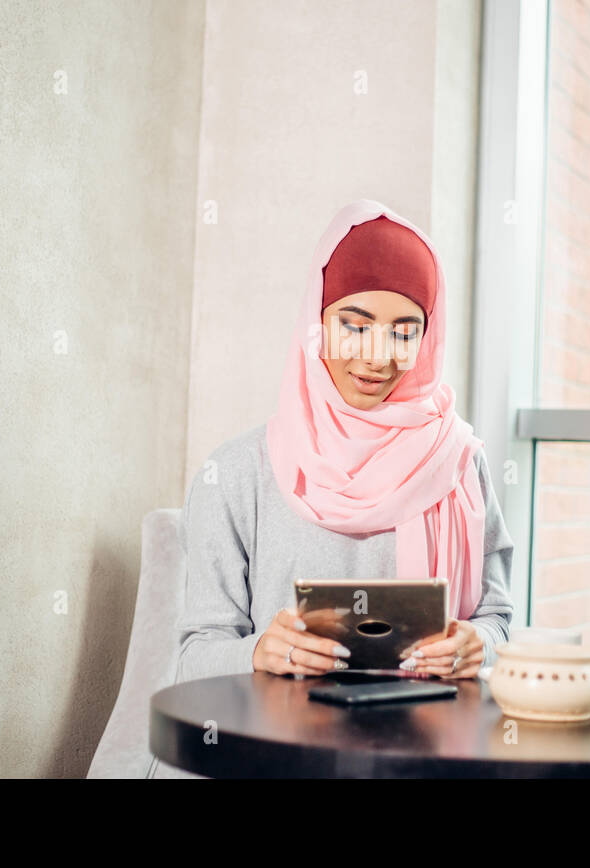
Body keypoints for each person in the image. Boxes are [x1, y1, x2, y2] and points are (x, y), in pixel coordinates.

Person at [147, 200, 514, 777]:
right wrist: (258, 651)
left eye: (404, 331)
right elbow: (194, 657)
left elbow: (500, 620)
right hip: (269, 759)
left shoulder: (458, 464)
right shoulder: (236, 473)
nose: (377, 356)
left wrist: (476, 644)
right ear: (317, 324)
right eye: (355, 325)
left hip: (419, 758)